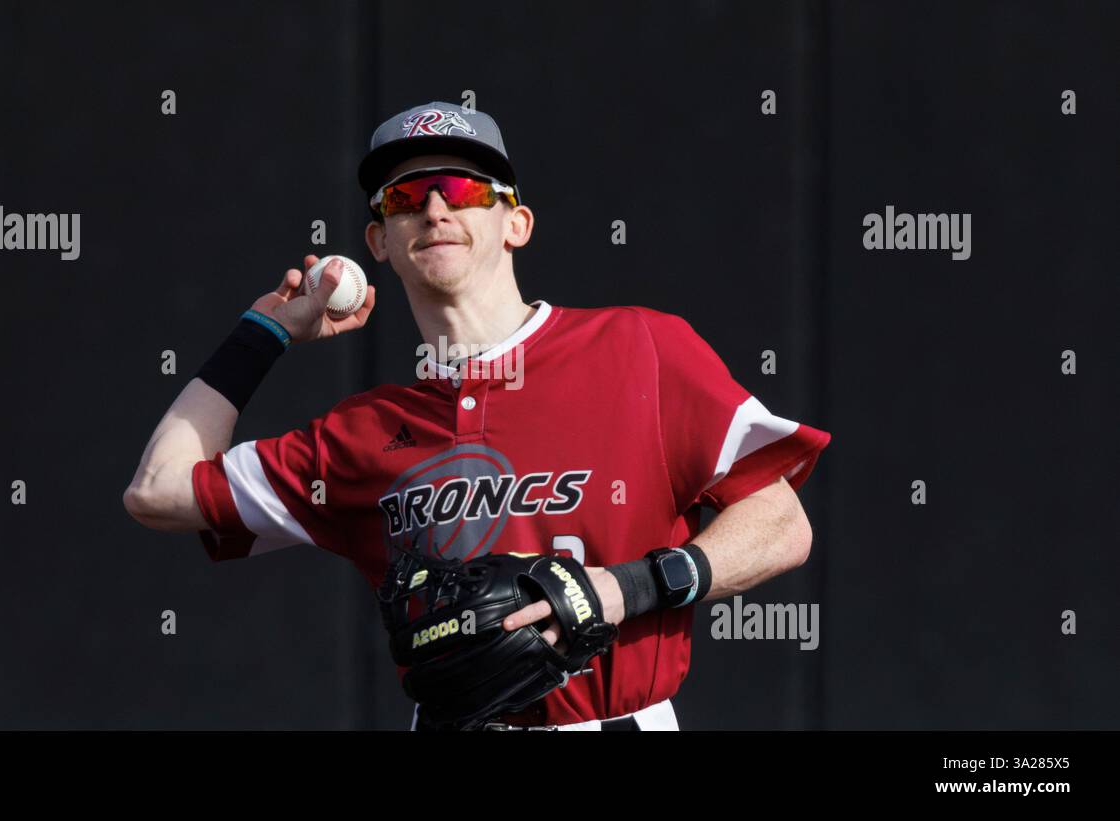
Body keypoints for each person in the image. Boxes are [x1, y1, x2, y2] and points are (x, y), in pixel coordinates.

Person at [123, 101, 831, 731]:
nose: (434, 210)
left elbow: (781, 523)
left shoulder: (639, 347)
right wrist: (263, 330)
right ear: (379, 242)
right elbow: (157, 490)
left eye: (462, 190)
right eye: (403, 196)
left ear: (515, 222)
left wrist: (626, 587)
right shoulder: (360, 434)